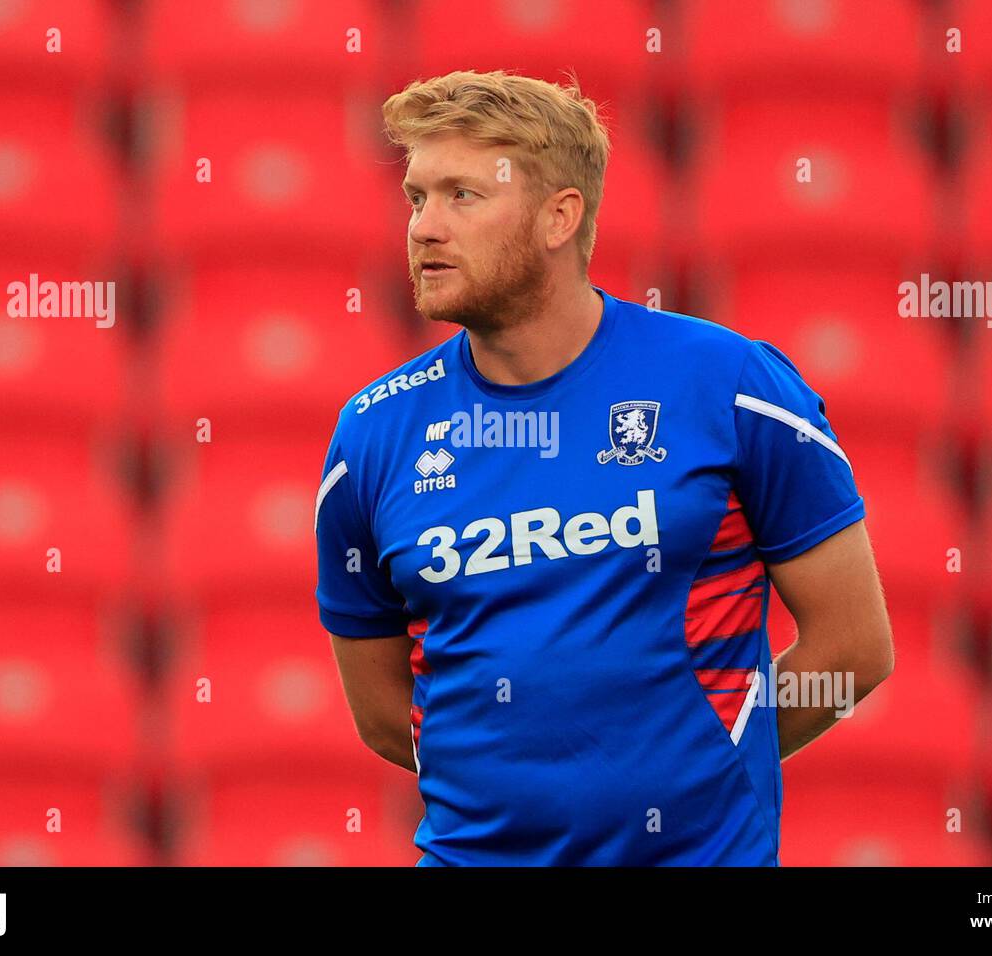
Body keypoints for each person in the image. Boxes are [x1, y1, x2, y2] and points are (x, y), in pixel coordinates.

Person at [314, 69, 894, 865]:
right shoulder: (372, 436)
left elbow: (854, 647)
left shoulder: (730, 386)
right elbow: (385, 714)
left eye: (463, 196)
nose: (423, 228)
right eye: (417, 198)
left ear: (560, 218)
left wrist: (703, 766)